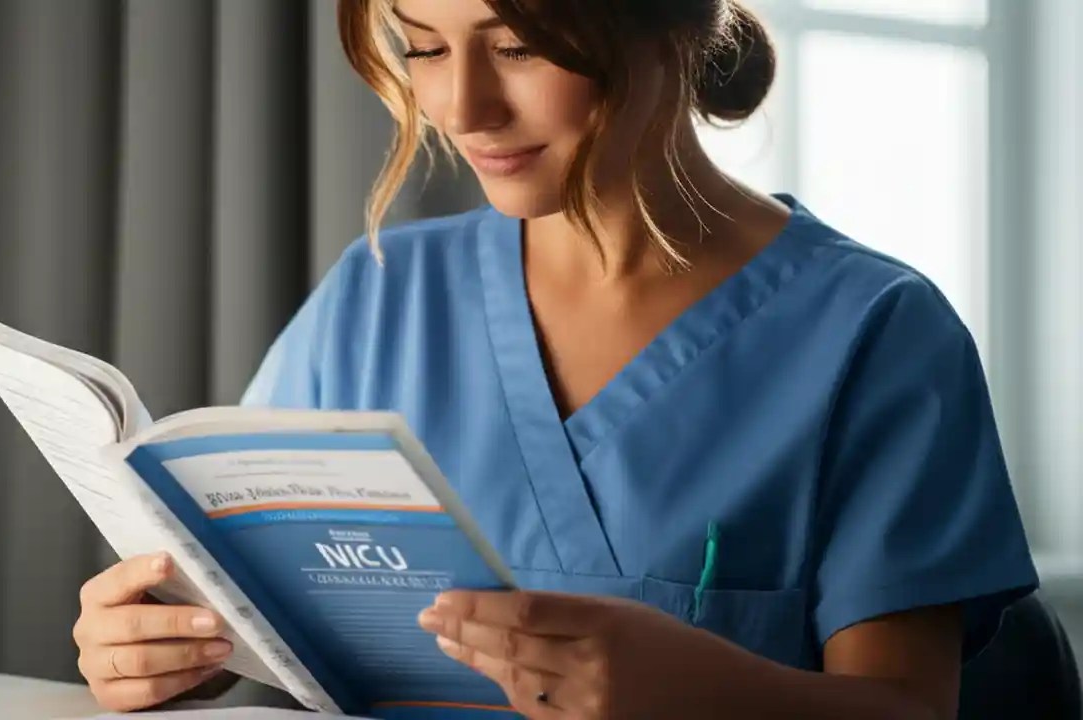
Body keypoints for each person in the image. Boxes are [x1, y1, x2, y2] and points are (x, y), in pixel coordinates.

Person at [71, 0, 1039, 717]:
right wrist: (157, 648)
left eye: (517, 47)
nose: (462, 106)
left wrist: (698, 688)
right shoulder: (374, 296)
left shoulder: (873, 330)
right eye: (423, 47)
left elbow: (908, 710)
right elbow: (264, 633)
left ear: (669, 26)